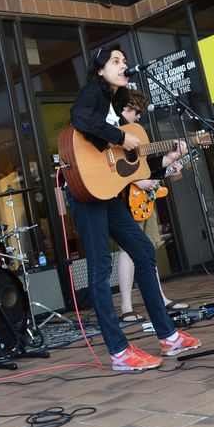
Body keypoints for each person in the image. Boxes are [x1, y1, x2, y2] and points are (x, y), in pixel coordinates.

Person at [67, 44, 201, 371]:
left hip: (107, 192)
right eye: (115, 61)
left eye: (124, 61)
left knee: (143, 250)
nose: (123, 64)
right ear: (100, 70)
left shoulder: (117, 103)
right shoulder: (93, 92)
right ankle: (118, 352)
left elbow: (133, 167)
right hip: (85, 191)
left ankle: (167, 335)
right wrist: (119, 137)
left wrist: (166, 159)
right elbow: (80, 118)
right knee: (100, 268)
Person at [115, 89, 188, 323]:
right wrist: (136, 180)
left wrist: (169, 162)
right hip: (124, 197)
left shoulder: (138, 135)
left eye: (138, 113)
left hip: (143, 198)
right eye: (134, 112)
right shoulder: (112, 132)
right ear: (122, 109)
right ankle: (126, 307)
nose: (137, 117)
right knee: (128, 249)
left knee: (148, 248)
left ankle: (159, 298)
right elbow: (115, 166)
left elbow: (144, 166)